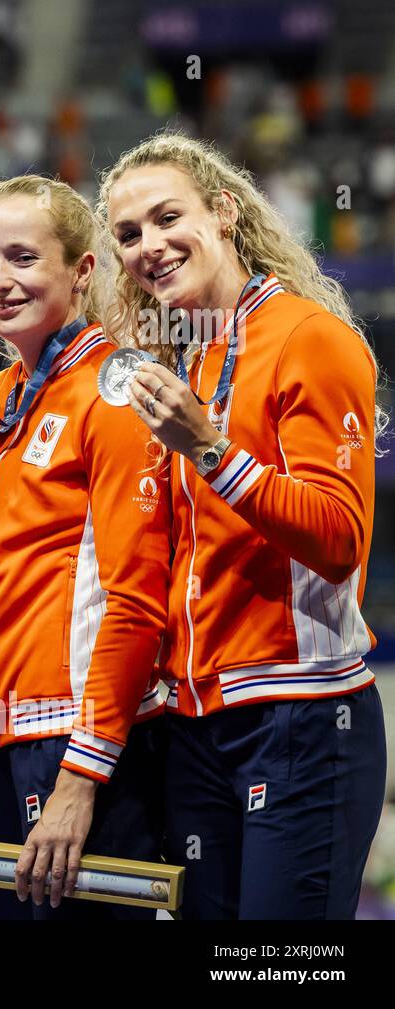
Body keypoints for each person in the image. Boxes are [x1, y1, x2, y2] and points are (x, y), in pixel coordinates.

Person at [101, 131, 387, 919]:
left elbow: (339, 540)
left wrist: (211, 450)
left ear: (224, 212)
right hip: (198, 727)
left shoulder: (309, 338)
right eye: (129, 235)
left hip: (302, 716)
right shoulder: (184, 361)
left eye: (168, 218)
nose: (150, 246)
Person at [0, 176, 170, 919]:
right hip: (2, 745)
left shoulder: (113, 392)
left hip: (80, 749)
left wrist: (79, 780)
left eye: (22, 257)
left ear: (82, 270)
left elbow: (135, 601)